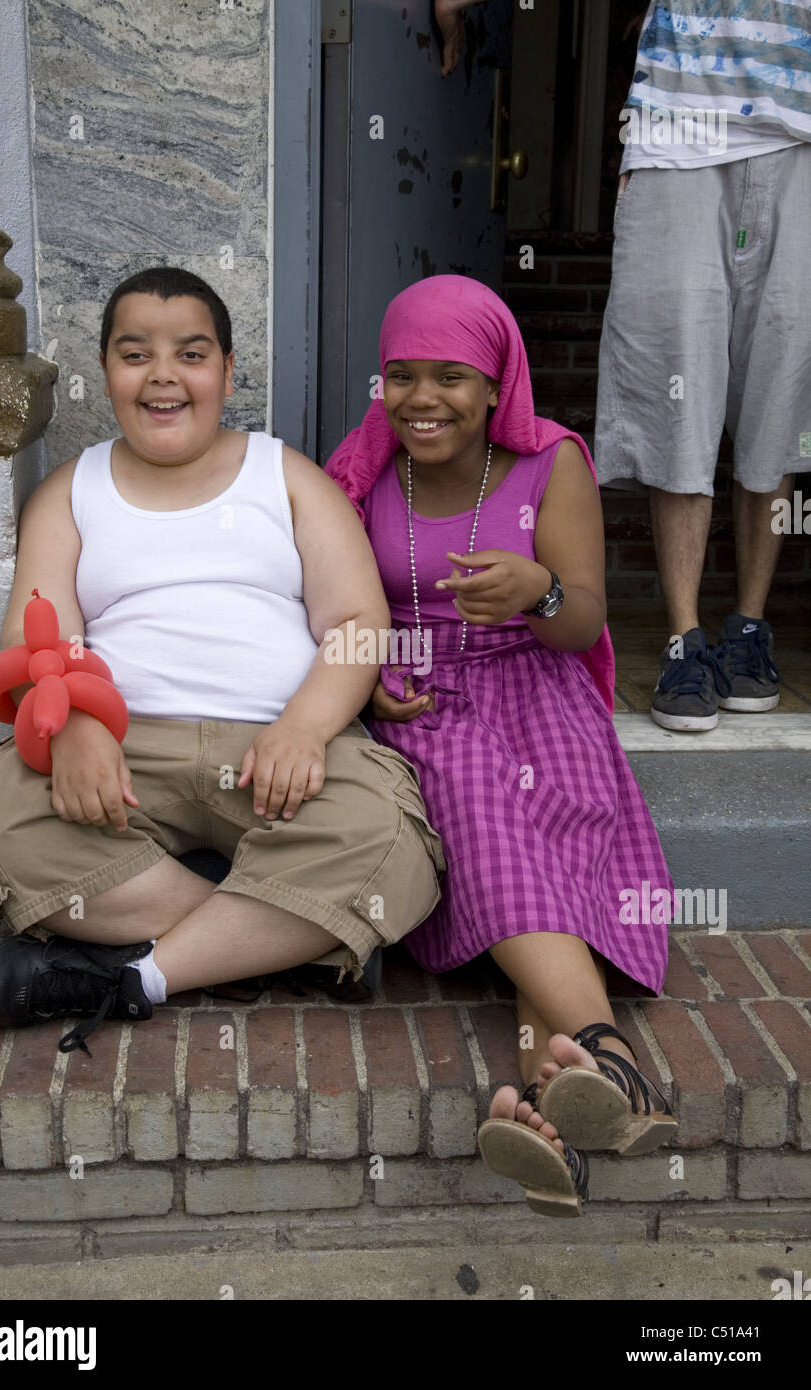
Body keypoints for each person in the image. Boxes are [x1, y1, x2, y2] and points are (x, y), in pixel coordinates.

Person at [0, 267, 444, 1055]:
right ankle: (274, 936)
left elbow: (357, 622)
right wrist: (74, 727)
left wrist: (307, 727)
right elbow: (34, 637)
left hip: (278, 754)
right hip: (123, 751)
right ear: (107, 369)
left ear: (226, 371)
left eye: (191, 353)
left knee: (386, 835)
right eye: (135, 354)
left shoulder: (283, 476)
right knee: (4, 821)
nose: (164, 378)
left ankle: (133, 975)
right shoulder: (71, 493)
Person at [326, 274, 676, 1217]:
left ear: (495, 385)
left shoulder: (550, 462)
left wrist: (538, 592)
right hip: (426, 700)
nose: (423, 400)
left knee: (547, 832)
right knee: (486, 806)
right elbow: (332, 616)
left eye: (451, 376)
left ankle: (549, 1115)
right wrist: (369, 677)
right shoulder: (355, 473)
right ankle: (612, 1061)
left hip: (536, 683)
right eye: (402, 375)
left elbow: (585, 619)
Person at [596, 0, 811, 731]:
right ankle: (684, 639)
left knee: (782, 394)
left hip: (803, 137)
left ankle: (748, 628)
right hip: (677, 136)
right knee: (674, 393)